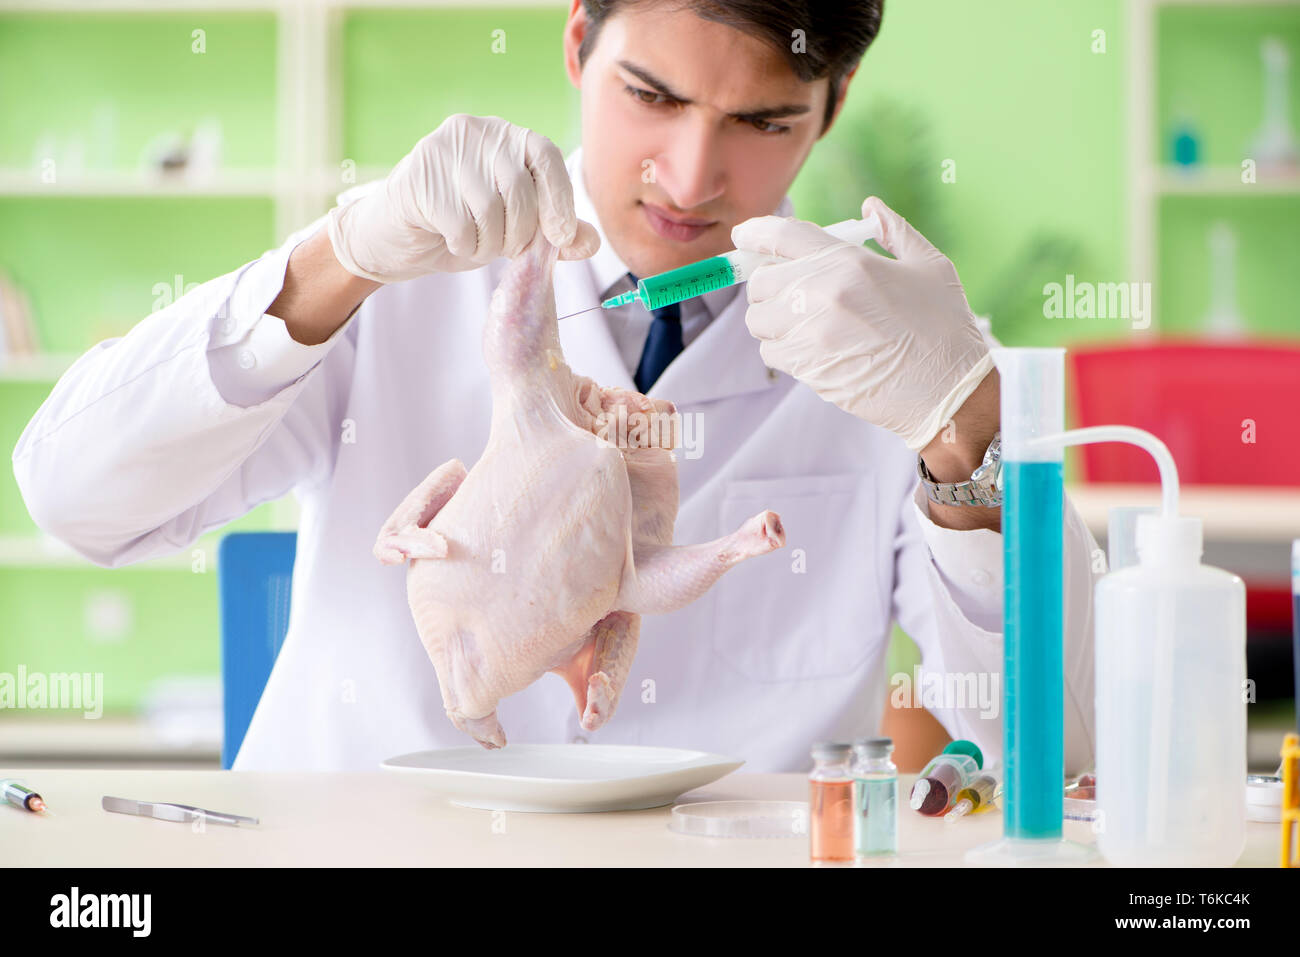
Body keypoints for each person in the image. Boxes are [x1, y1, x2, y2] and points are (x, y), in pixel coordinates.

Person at [12, 0, 1098, 773]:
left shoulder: (902, 354)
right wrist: (340, 255)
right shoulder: (404, 273)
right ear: (578, 40)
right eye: (651, 95)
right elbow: (75, 498)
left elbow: (1067, 747)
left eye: (760, 122)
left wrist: (962, 429)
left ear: (833, 99)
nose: (688, 177)